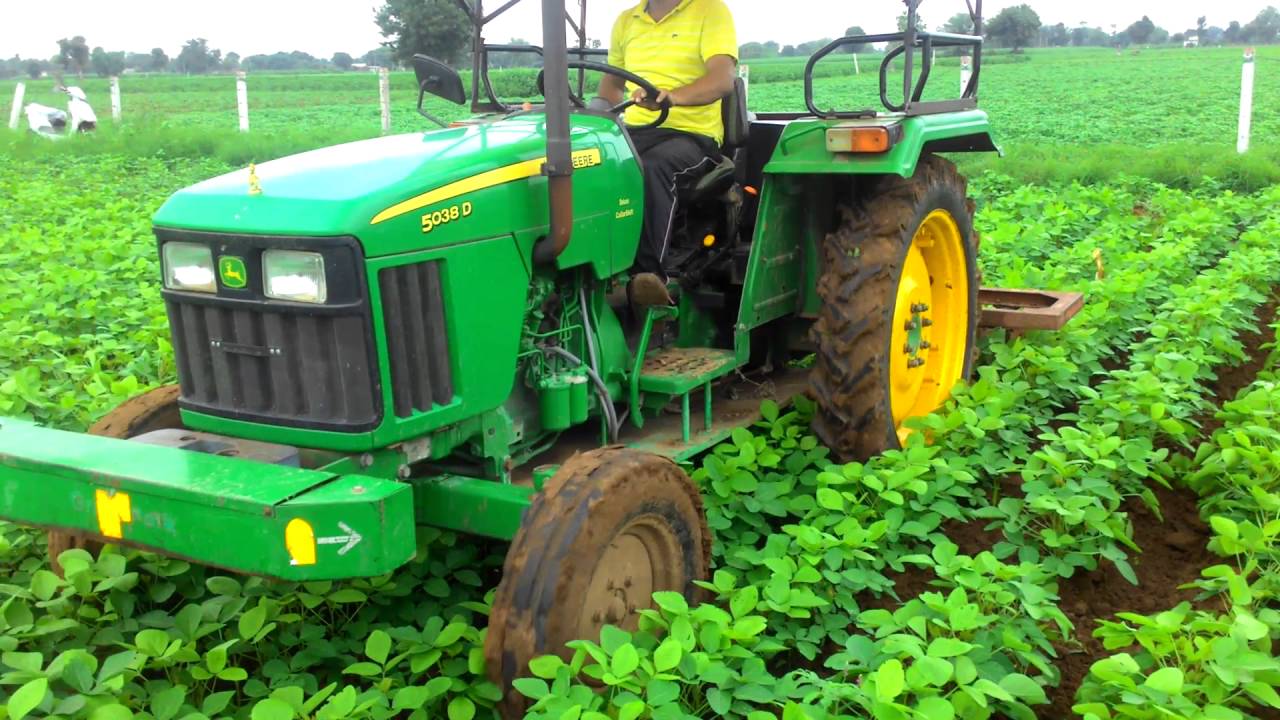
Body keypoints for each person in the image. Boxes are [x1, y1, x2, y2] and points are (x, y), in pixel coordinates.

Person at [592, 0, 738, 307]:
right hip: (638, 130)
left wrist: (673, 98)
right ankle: (593, 268)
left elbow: (721, 79)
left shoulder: (710, 10)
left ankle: (648, 279)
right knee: (593, 162)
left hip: (693, 135)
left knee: (651, 167)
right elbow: (612, 84)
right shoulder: (626, 20)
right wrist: (593, 116)